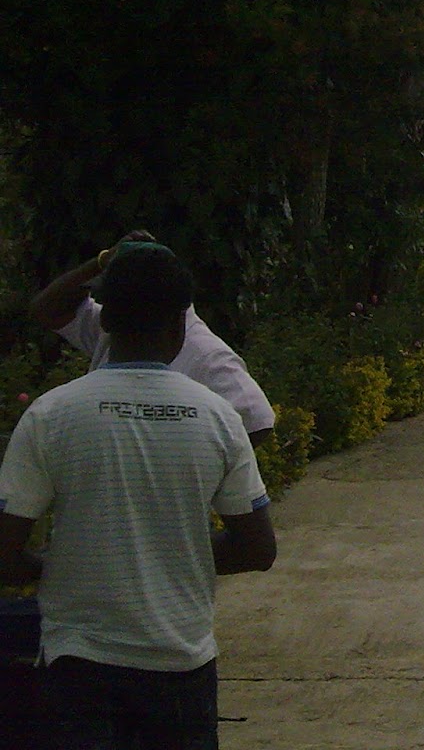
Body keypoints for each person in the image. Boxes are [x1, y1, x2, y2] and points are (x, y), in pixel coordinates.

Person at [0, 240, 277, 748]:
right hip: (180, 669)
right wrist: (177, 550)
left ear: (104, 322)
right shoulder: (219, 418)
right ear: (181, 325)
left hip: (77, 666)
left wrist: (64, 562)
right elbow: (258, 550)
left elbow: (4, 555)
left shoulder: (49, 415)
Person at [29, 231, 276, 448]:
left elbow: (258, 421)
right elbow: (46, 310)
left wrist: (195, 463)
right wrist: (102, 261)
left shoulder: (207, 355)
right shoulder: (121, 328)